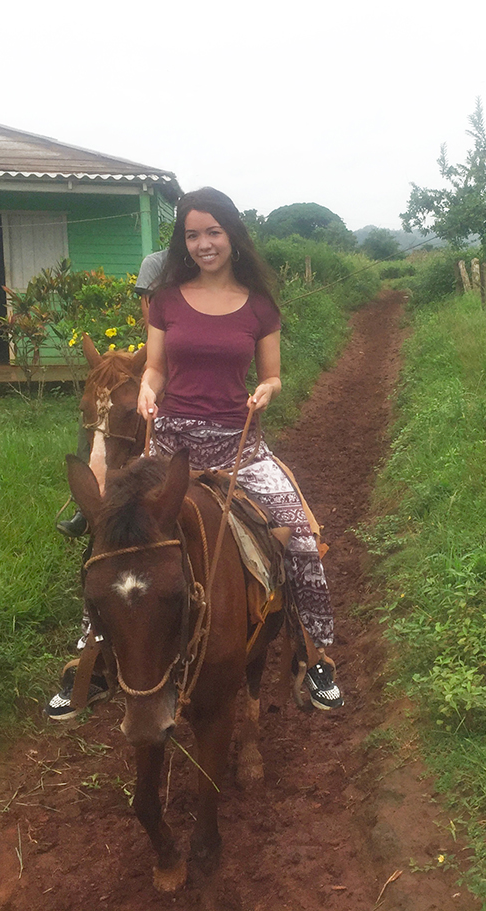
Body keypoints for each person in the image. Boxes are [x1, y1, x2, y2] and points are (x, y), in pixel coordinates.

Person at [49, 187, 344, 716]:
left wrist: (267, 391)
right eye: (192, 235)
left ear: (232, 234)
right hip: (170, 446)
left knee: (299, 534)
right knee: (110, 535)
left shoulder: (260, 306)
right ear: (183, 242)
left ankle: (314, 655)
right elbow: (158, 367)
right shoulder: (166, 299)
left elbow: (273, 376)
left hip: (239, 446)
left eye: (213, 232)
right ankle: (88, 662)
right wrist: (147, 389)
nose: (204, 243)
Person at [53, 247, 165, 538]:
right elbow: (149, 305)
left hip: (190, 349)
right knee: (99, 403)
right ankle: (86, 499)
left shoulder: (201, 266)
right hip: (157, 343)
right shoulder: (156, 263)